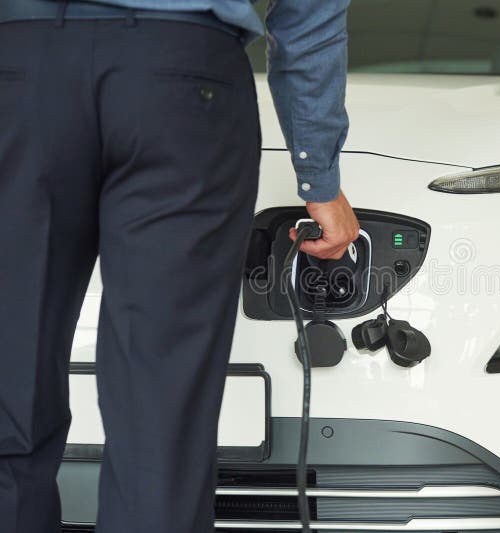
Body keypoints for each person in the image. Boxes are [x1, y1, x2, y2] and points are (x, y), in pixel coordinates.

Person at [0, 0, 358, 532]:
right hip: (183, 79)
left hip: (18, 67)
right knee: (160, 414)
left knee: (8, 387)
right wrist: (318, 175)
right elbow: (310, 10)